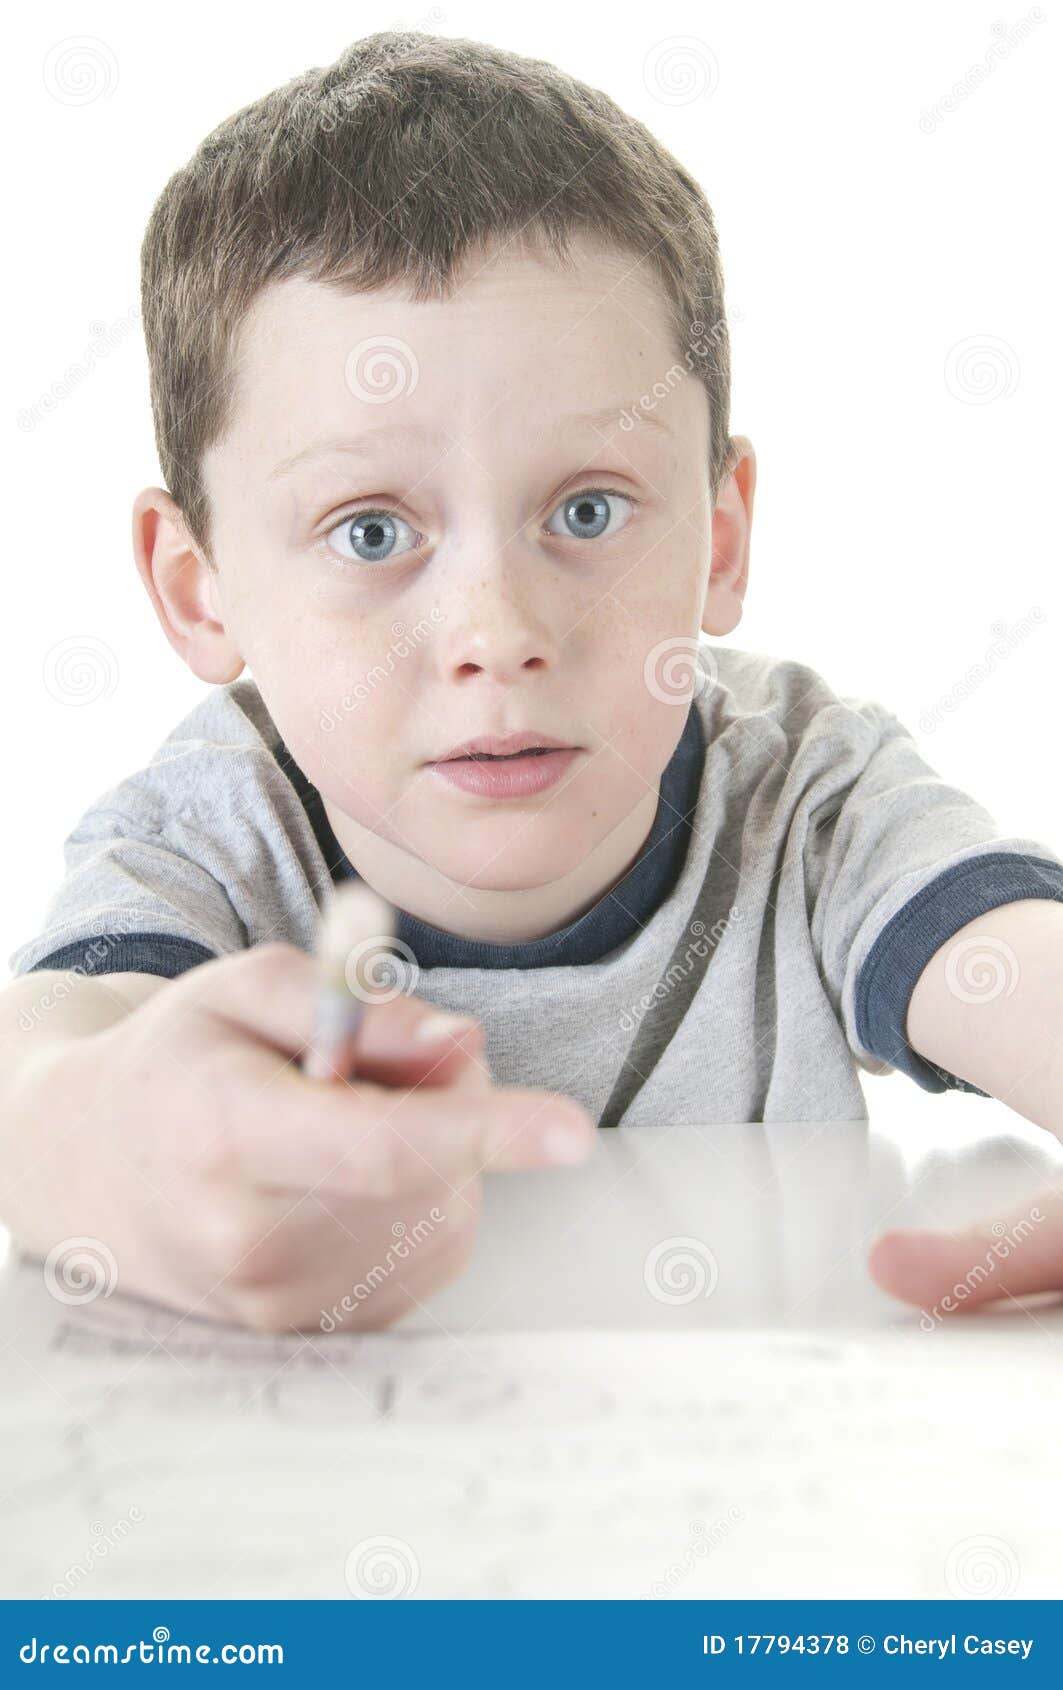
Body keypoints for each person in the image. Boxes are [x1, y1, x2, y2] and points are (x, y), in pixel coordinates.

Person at [3, 32, 1062, 1332]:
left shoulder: (809, 802)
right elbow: (43, 1065)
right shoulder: (210, 847)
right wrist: (98, 1146)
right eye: (372, 531)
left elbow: (1023, 967)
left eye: (589, 509)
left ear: (720, 541)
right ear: (197, 585)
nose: (496, 633)